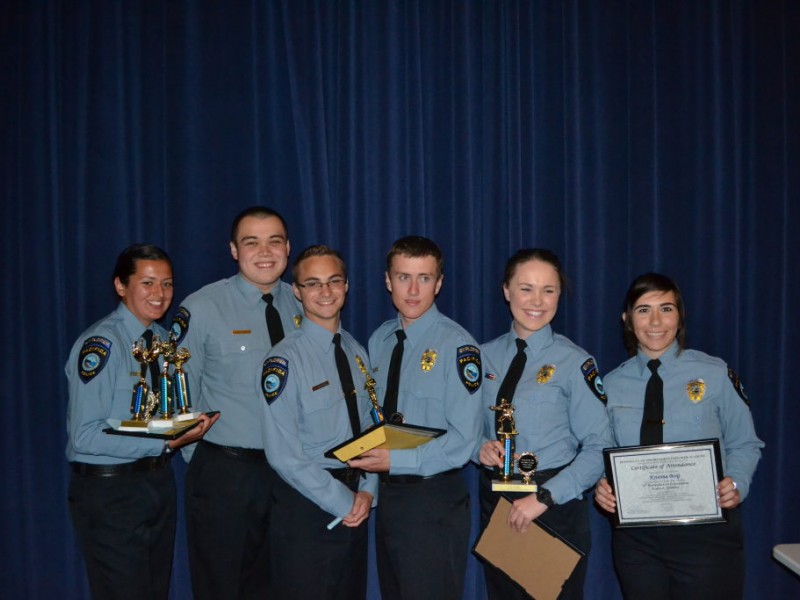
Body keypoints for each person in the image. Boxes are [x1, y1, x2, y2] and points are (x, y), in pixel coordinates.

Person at [594, 272, 764, 600]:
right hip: (637, 542)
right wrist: (603, 484)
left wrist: (737, 482)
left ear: (680, 315)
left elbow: (746, 443)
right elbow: (602, 452)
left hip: (707, 537)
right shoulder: (610, 386)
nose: (656, 321)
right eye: (644, 310)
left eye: (666, 308)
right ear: (627, 319)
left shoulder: (715, 374)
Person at [66, 243, 218, 599]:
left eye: (167, 284)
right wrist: (164, 442)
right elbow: (84, 437)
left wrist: (187, 426)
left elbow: (153, 415)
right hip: (110, 491)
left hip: (155, 481)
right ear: (121, 286)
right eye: (148, 283)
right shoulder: (102, 344)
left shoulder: (163, 341)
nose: (160, 294)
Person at [170, 206, 302, 600]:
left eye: (274, 241)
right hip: (227, 474)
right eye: (251, 242)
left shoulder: (305, 303)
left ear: (288, 248)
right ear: (233, 250)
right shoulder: (203, 306)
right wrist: (211, 461)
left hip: (292, 476)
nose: (264, 251)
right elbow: (179, 394)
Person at [348, 235, 483, 600]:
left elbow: (463, 441)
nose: (412, 289)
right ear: (387, 280)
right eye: (403, 276)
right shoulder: (380, 340)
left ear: (439, 283)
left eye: (424, 278)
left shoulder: (458, 346)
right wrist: (368, 485)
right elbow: (374, 421)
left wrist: (398, 460)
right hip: (391, 498)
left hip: (433, 500)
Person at [475, 248, 613, 600]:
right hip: (499, 503)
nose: (537, 301)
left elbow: (599, 445)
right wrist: (479, 447)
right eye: (526, 288)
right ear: (506, 291)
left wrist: (545, 497)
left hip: (553, 508)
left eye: (548, 290)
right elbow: (465, 427)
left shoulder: (575, 362)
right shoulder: (482, 356)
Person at [258, 245, 377, 600]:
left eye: (333, 281)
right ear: (296, 292)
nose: (325, 292)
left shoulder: (357, 352)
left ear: (346, 286)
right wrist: (343, 500)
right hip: (307, 507)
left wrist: (369, 491)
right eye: (313, 284)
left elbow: (372, 430)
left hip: (356, 499)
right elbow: (282, 454)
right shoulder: (282, 361)